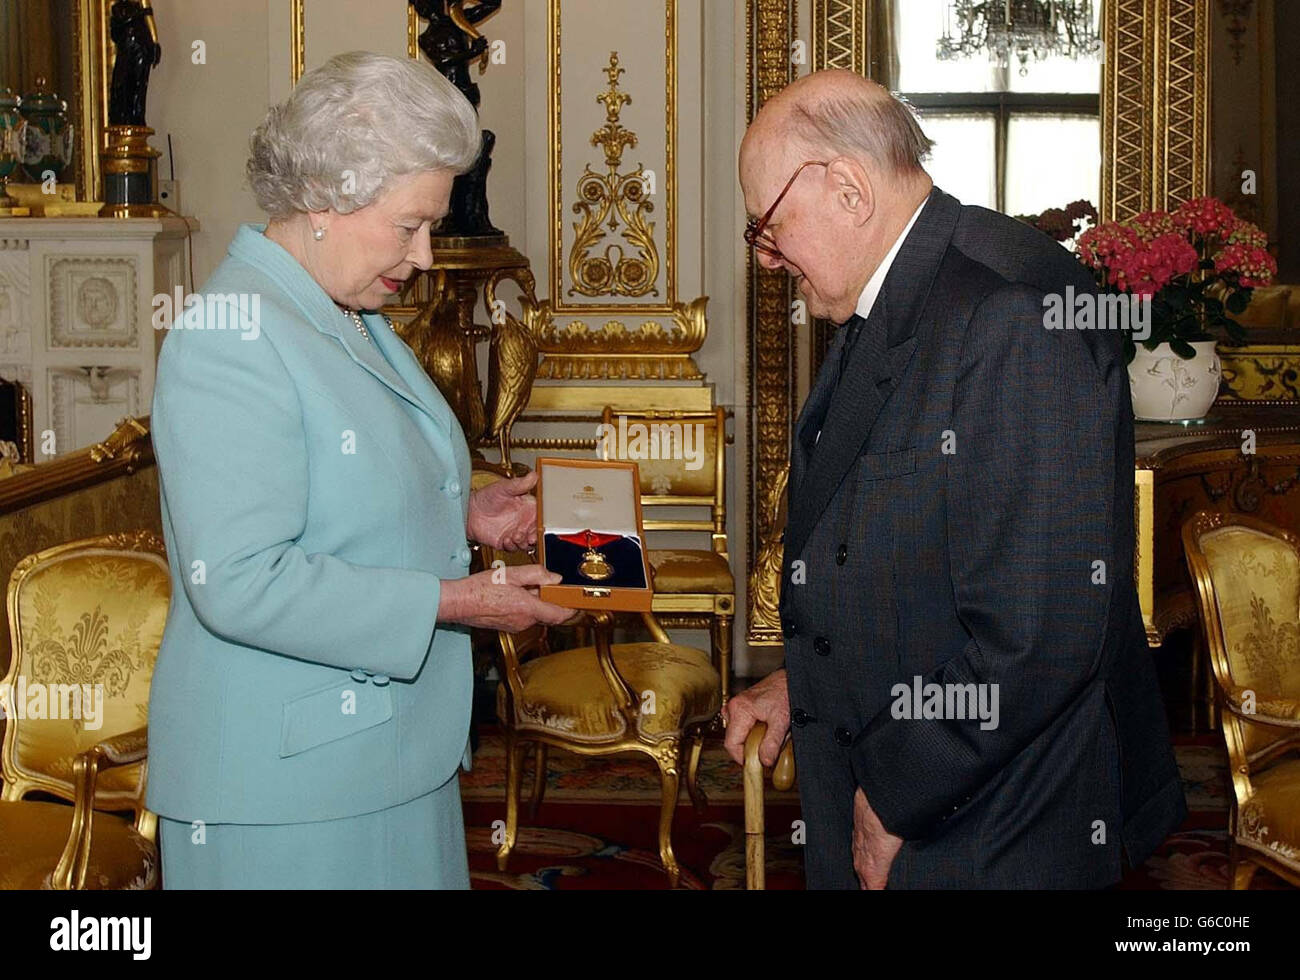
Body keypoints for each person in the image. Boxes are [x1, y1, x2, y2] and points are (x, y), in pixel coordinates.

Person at [724, 69, 1186, 889]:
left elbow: (1033, 640)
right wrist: (811, 684)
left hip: (986, 825)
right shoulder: (908, 288)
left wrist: (897, 796)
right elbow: (910, 557)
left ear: (847, 188)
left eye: (768, 225)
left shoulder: (1013, 315)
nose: (765, 258)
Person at [146, 51, 571, 889]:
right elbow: (236, 578)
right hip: (287, 787)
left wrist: (464, 516)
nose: (422, 256)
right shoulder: (231, 335)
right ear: (322, 200)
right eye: (408, 224)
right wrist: (460, 602)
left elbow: (337, 497)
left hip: (382, 758)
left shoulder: (343, 314)